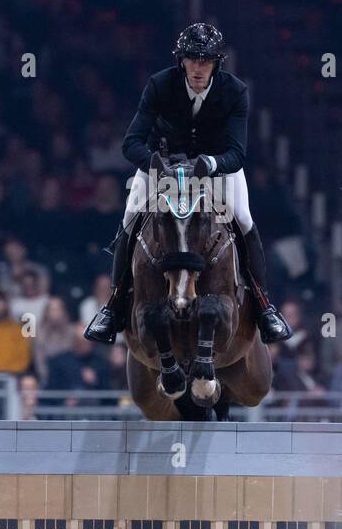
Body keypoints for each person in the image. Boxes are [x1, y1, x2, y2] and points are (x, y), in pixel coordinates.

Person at [83, 22, 292, 344]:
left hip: (215, 168)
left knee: (245, 221)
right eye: (192, 60)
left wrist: (209, 163)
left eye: (205, 60)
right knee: (129, 220)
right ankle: (112, 306)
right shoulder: (160, 84)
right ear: (181, 61)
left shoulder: (234, 91)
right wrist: (157, 164)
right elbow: (131, 143)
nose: (198, 68)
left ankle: (265, 306)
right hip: (164, 167)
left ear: (216, 63)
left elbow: (237, 153)